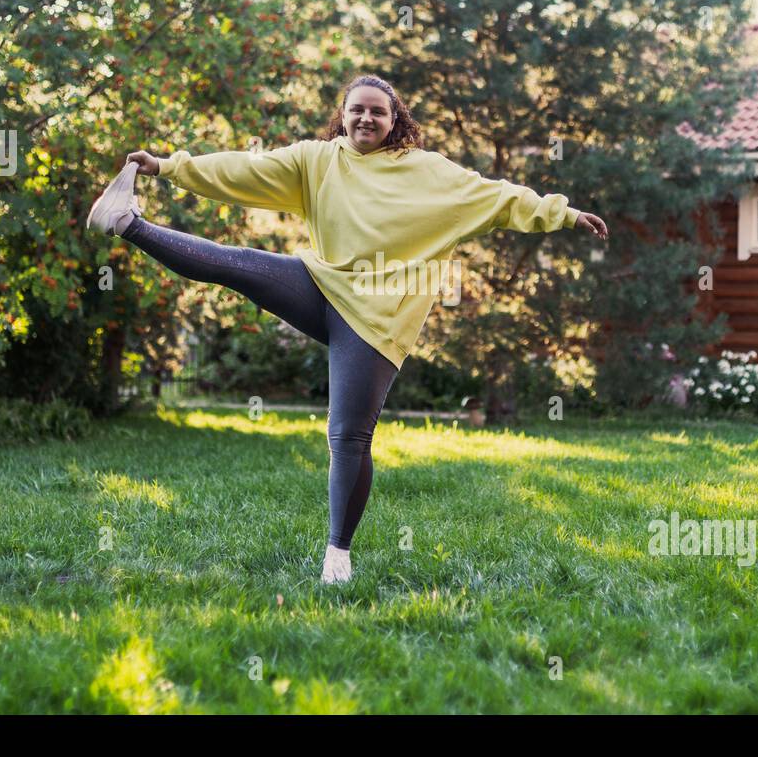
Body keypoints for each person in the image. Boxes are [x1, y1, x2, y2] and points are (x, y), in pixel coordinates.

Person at [86, 74, 608, 584]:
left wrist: (563, 214)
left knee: (348, 435)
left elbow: (498, 198)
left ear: (395, 120)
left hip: (376, 320)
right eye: (357, 108)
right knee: (238, 264)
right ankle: (127, 221)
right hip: (322, 286)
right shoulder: (318, 160)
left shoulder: (428, 172)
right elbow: (245, 169)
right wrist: (168, 166)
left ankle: (338, 554)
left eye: (378, 111)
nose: (366, 117)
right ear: (344, 114)